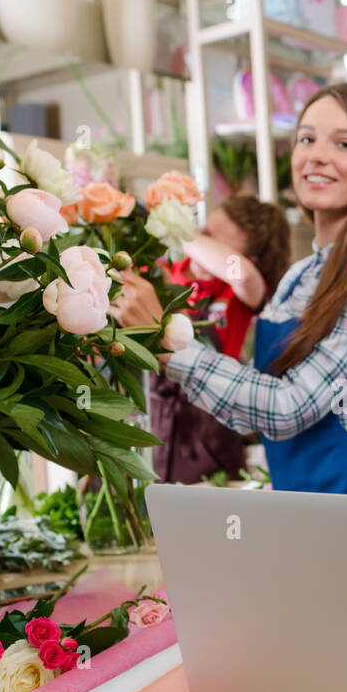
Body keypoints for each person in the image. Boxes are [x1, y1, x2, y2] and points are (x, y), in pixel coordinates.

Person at [114, 82, 347, 495]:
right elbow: (254, 411)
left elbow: (289, 407)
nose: (316, 155)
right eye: (306, 139)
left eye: (344, 144)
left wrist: (167, 341)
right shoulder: (300, 276)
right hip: (295, 511)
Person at [112, 195, 291, 483]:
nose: (201, 246)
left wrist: (173, 228)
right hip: (152, 423)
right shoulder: (160, 273)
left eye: (216, 244)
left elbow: (243, 272)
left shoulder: (239, 291)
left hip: (209, 438)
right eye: (205, 232)